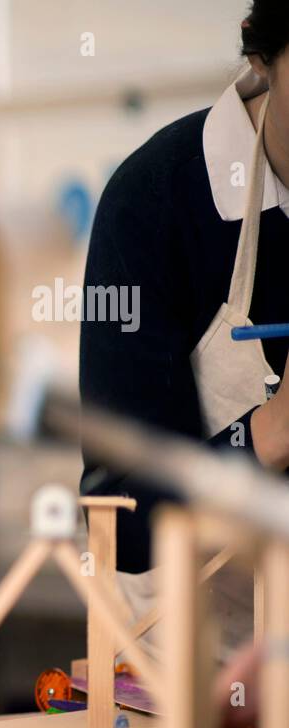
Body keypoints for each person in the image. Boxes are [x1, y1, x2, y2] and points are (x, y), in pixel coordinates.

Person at [81, 1, 289, 647]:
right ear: (263, 55)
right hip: (190, 682)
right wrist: (270, 433)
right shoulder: (154, 199)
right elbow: (120, 518)